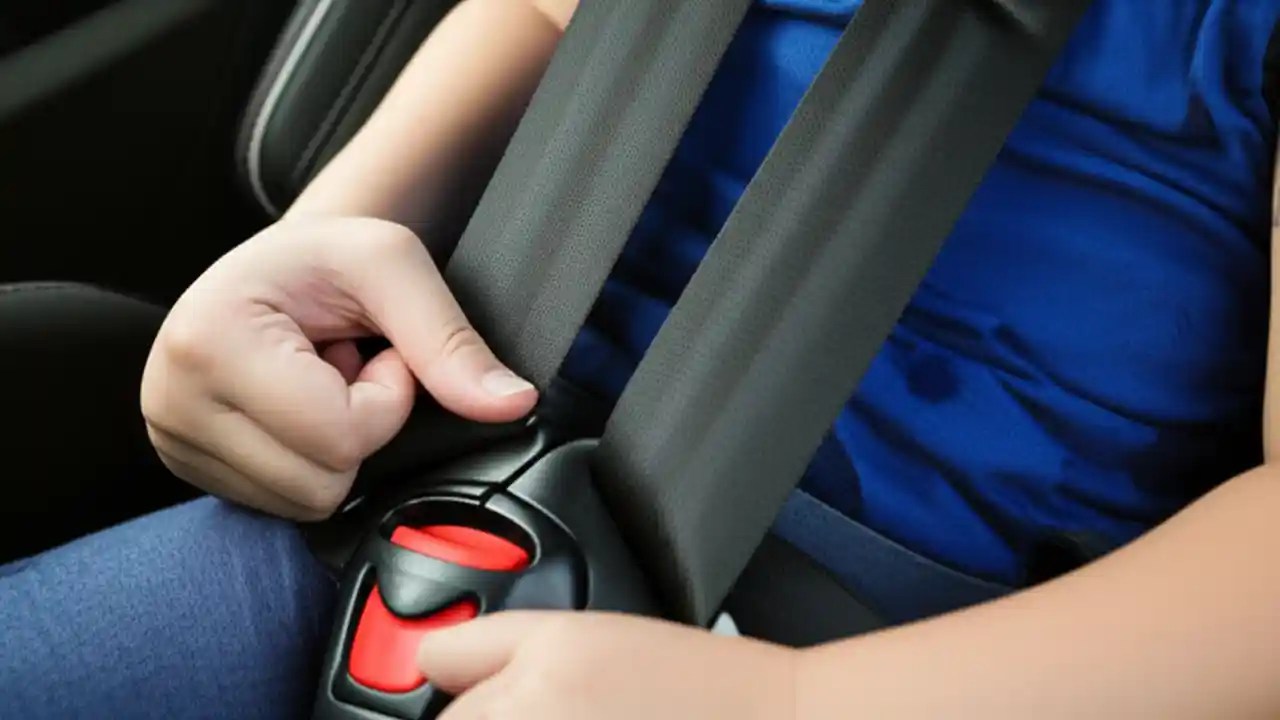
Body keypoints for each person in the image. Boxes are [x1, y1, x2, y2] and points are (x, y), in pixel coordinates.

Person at [4, 0, 1280, 716]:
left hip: (934, 649)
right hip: (447, 456)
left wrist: (790, 710)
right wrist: (335, 227)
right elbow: (552, 12)